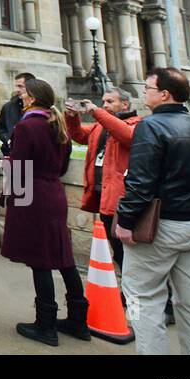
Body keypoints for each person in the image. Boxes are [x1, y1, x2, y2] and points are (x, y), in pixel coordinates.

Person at [115, 68, 190, 355]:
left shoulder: (151, 127)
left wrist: (125, 220)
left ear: (164, 94)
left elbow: (140, 182)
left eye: (148, 88)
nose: (144, 92)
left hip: (160, 227)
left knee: (142, 298)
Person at [3, 78, 88, 346]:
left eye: (23, 92)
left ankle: (46, 325)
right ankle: (77, 319)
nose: (20, 95)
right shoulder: (56, 122)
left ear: (31, 98)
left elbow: (19, 169)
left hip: (34, 196)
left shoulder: (28, 126)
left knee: (40, 259)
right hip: (54, 192)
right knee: (63, 256)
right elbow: (62, 166)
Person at [64, 89, 140, 269]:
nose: (105, 105)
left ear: (125, 104)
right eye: (103, 102)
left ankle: (140, 294)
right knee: (119, 253)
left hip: (123, 201)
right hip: (104, 199)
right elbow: (80, 135)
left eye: (110, 101)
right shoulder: (100, 126)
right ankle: (129, 292)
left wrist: (97, 112)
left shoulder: (136, 124)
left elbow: (126, 135)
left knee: (132, 255)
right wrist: (72, 116)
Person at [0, 72, 34, 154]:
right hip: (10, 153)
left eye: (20, 86)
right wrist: (7, 139)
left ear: (31, 87)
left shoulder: (39, 109)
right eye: (16, 86)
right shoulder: (8, 106)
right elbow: (0, 127)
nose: (17, 90)